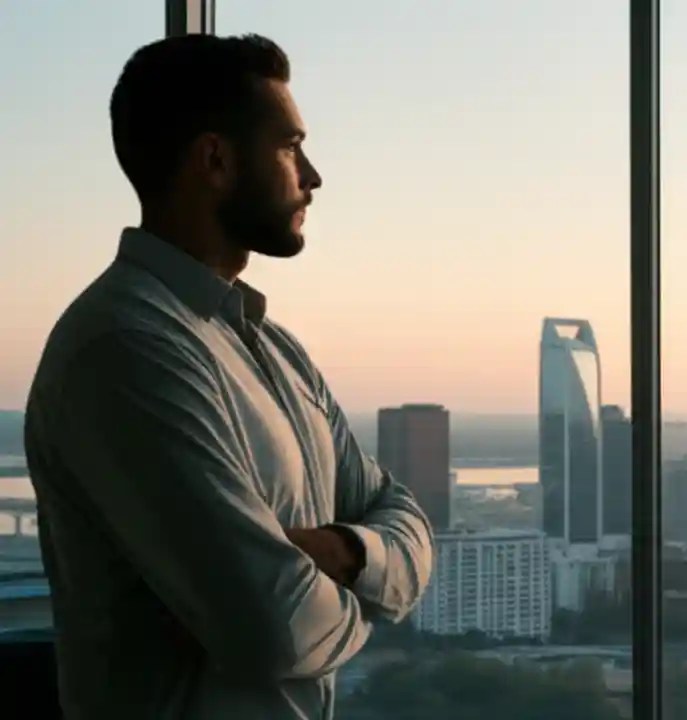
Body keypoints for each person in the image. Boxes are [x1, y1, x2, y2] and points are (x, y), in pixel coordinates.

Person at [23, 34, 434, 719]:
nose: (313, 175)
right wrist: (370, 598)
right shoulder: (126, 350)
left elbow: (407, 517)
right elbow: (273, 631)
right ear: (215, 159)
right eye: (289, 147)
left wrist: (345, 553)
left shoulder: (275, 350)